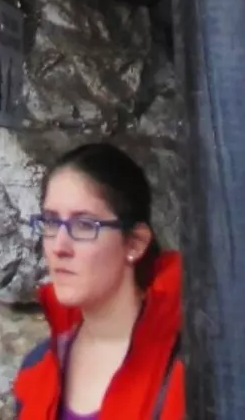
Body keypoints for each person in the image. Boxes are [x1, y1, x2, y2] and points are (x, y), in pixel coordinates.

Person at [11, 142, 184, 420]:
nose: (59, 246)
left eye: (84, 225)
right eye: (52, 222)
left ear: (135, 243)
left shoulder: (188, 372)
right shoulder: (37, 368)